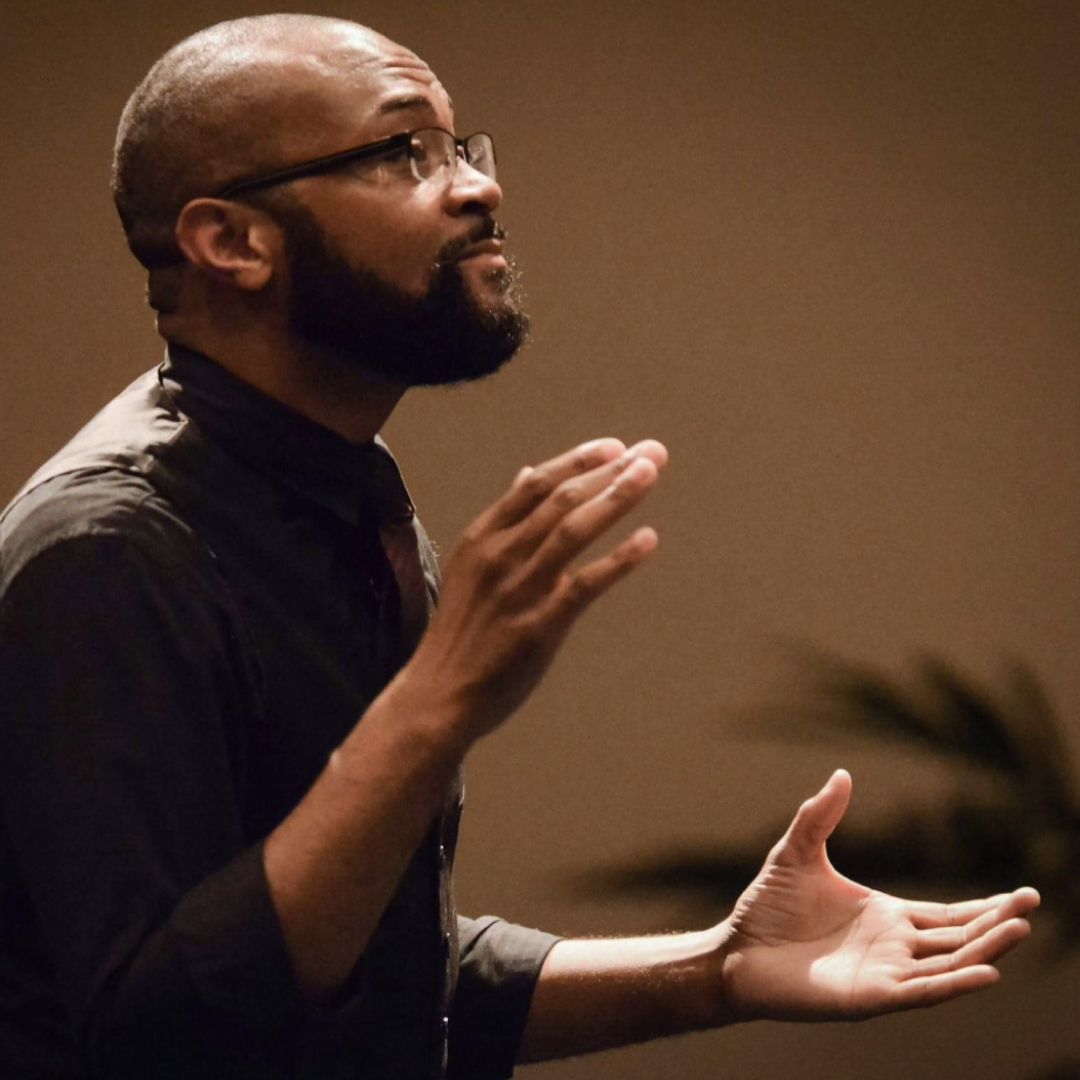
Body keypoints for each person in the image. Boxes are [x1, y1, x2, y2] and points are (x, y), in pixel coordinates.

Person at [0, 13, 1039, 1080]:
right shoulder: (110, 548)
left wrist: (719, 969)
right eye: (404, 153)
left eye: (461, 147)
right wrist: (435, 702)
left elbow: (375, 987)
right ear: (231, 242)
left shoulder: (337, 489)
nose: (476, 187)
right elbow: (158, 1038)